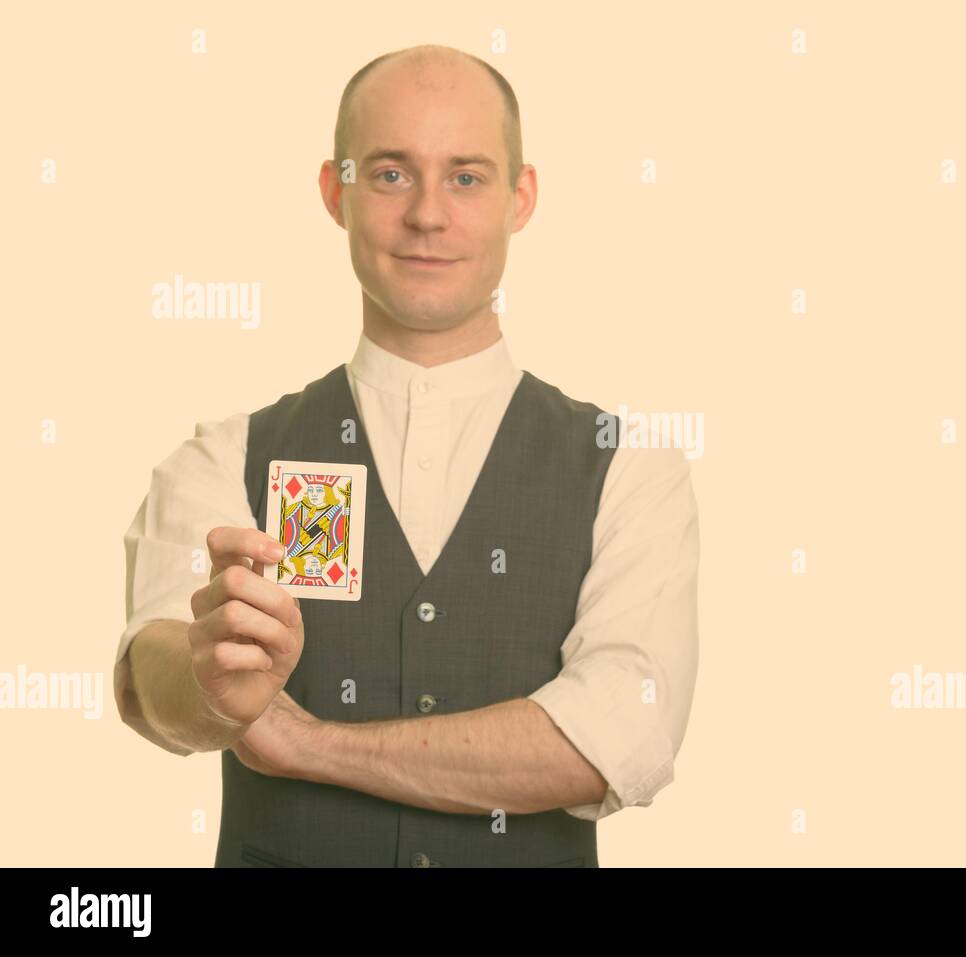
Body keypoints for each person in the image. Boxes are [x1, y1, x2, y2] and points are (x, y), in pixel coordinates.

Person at [115, 43, 700, 868]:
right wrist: (209, 683)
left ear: (520, 198)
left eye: (466, 176)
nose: (428, 213)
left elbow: (616, 736)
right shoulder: (228, 454)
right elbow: (153, 673)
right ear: (336, 190)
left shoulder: (628, 468)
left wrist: (309, 744)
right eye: (391, 173)